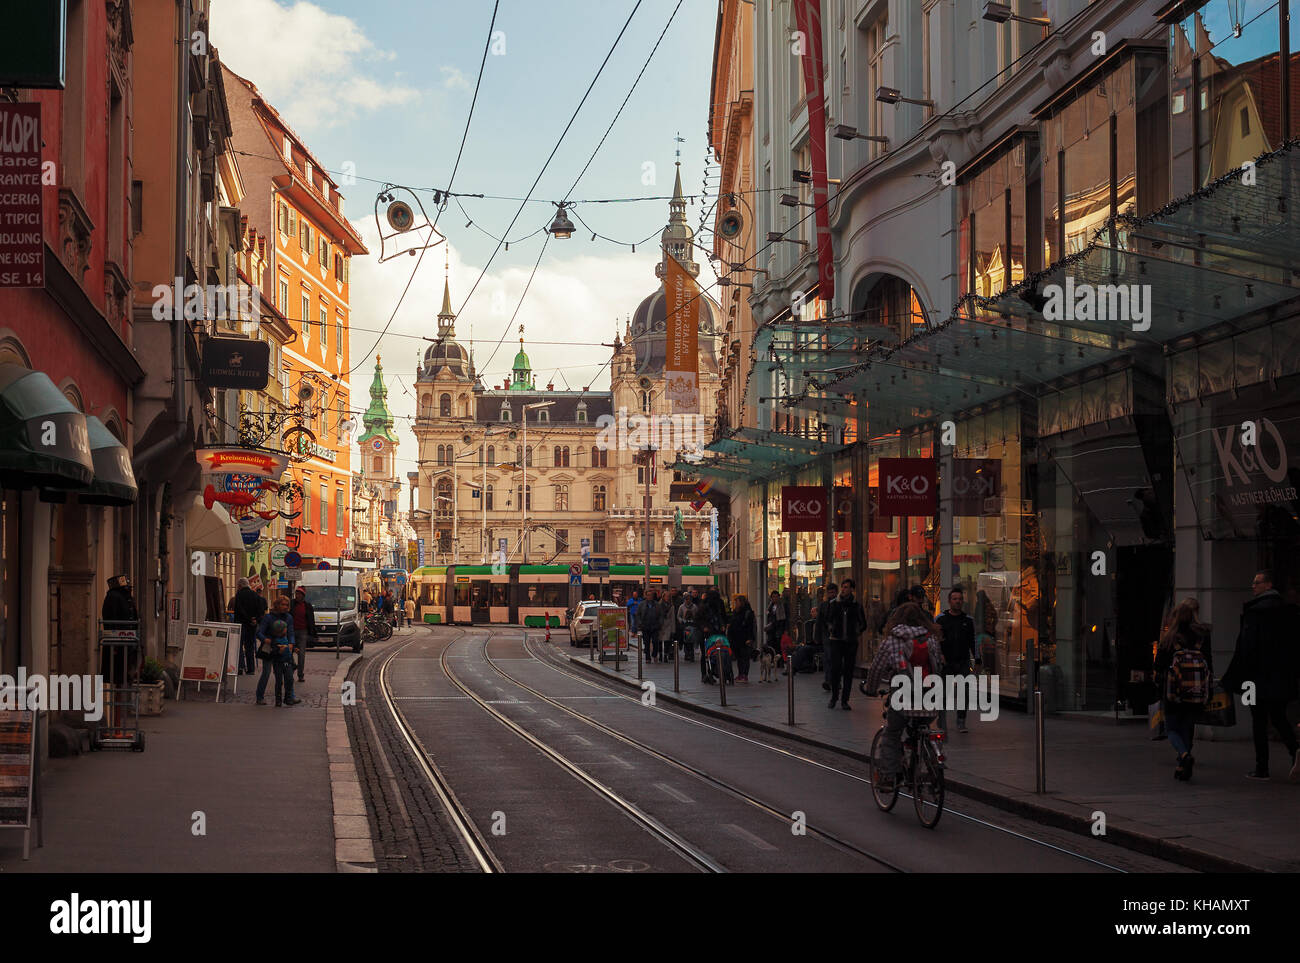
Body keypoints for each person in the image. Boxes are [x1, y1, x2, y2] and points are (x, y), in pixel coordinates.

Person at [1222, 570, 1300, 781]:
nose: (1253, 586)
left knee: (1257, 719)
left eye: (1257, 583)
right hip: (1281, 677)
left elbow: (1246, 648)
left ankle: (1262, 767)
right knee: (1279, 716)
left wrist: (1233, 676)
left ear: (1268, 584)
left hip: (1253, 679)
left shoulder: (1254, 612)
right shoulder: (1289, 611)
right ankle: (1295, 752)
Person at [865, 602, 944, 791]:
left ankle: (888, 778)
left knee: (892, 733)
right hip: (930, 697)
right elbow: (938, 665)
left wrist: (870, 688)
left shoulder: (892, 640)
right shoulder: (931, 638)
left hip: (903, 696)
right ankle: (933, 764)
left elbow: (876, 669)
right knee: (922, 726)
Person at [1154, 598, 1212, 782]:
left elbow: (1159, 664)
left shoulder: (1170, 638)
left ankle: (1184, 756)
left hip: (1173, 691)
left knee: (1171, 728)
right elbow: (1208, 662)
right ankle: (1182, 765)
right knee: (1188, 727)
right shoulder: (1202, 636)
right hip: (1195, 690)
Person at [936, 588, 979, 733]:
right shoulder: (940, 619)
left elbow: (973, 641)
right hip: (946, 662)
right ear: (949, 601)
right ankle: (941, 720)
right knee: (943, 693)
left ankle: (961, 721)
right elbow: (935, 639)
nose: (958, 601)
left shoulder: (968, 620)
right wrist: (939, 655)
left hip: (963, 661)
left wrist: (977, 659)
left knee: (964, 692)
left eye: (960, 599)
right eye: (955, 599)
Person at [824, 578, 867, 709]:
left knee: (848, 671)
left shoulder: (856, 605)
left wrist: (855, 633)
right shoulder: (834, 603)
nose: (844, 589)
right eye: (842, 587)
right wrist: (831, 629)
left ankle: (845, 700)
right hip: (836, 641)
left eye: (847, 587)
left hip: (850, 643)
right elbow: (828, 619)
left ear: (852, 589)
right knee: (835, 669)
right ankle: (834, 697)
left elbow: (863, 623)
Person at [256, 595, 301, 707]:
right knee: (266, 672)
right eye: (282, 604)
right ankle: (260, 696)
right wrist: (264, 639)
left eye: (287, 605)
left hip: (284, 648)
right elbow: (259, 632)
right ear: (277, 605)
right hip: (270, 646)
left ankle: (291, 696)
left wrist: (291, 643)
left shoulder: (289, 617)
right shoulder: (268, 617)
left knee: (288, 674)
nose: (285, 607)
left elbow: (291, 632)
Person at [232, 577, 267, 675]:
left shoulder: (239, 595)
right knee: (250, 646)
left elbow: (239, 609)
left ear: (240, 585)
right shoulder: (255, 595)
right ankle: (251, 669)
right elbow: (261, 610)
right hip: (252, 625)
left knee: (239, 645)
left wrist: (247, 618)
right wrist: (255, 620)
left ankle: (240, 667)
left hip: (241, 623)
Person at [290, 587, 317, 684]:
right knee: (289, 652)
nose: (297, 596)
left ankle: (300, 675)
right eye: (296, 594)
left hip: (303, 632)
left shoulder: (307, 606)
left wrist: (313, 633)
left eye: (299, 594)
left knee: (301, 654)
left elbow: (311, 620)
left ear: (303, 596)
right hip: (291, 631)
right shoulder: (291, 604)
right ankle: (291, 669)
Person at [728, 594, 757, 682]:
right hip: (736, 638)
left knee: (745, 657)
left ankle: (745, 675)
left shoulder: (748, 613)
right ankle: (740, 674)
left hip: (745, 638)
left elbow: (750, 627)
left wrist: (750, 638)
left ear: (741, 602)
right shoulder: (735, 612)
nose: (735, 604)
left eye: (737, 602)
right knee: (739, 657)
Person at [639, 589, 662, 662]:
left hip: (655, 626)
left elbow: (661, 615)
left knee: (655, 641)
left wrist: (659, 624)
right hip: (645, 626)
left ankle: (654, 654)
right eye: (648, 595)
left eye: (651, 595)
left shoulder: (657, 604)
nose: (649, 597)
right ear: (646, 596)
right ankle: (647, 657)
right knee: (646, 642)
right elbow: (638, 614)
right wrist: (640, 624)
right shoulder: (642, 604)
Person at [677, 590, 698, 662]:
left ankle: (691, 654)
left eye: (689, 599)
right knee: (685, 640)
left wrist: (694, 620)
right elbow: (679, 616)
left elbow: (697, 615)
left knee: (691, 640)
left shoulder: (694, 607)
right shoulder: (681, 607)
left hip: (692, 625)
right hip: (684, 625)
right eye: (686, 599)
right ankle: (686, 653)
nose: (687, 600)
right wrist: (682, 621)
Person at [658, 590, 677, 663]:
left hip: (668, 625)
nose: (667, 598)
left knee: (667, 641)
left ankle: (665, 655)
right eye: (666, 596)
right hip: (660, 624)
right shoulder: (659, 605)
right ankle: (660, 655)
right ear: (663, 597)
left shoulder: (671, 606)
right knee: (659, 641)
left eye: (669, 596)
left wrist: (673, 629)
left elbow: (672, 618)